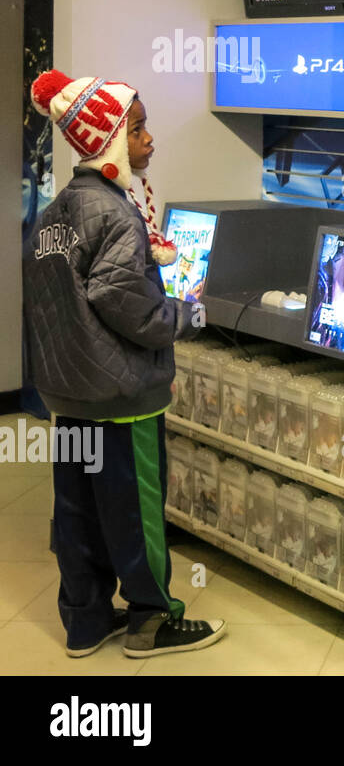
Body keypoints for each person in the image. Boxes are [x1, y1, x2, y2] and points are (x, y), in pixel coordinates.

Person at [23, 69, 227, 658]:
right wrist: (184, 315)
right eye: (137, 130)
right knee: (136, 509)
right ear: (109, 141)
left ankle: (85, 620)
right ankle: (151, 619)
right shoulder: (114, 214)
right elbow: (121, 301)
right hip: (122, 399)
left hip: (68, 396)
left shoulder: (57, 211)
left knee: (77, 510)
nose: (149, 140)